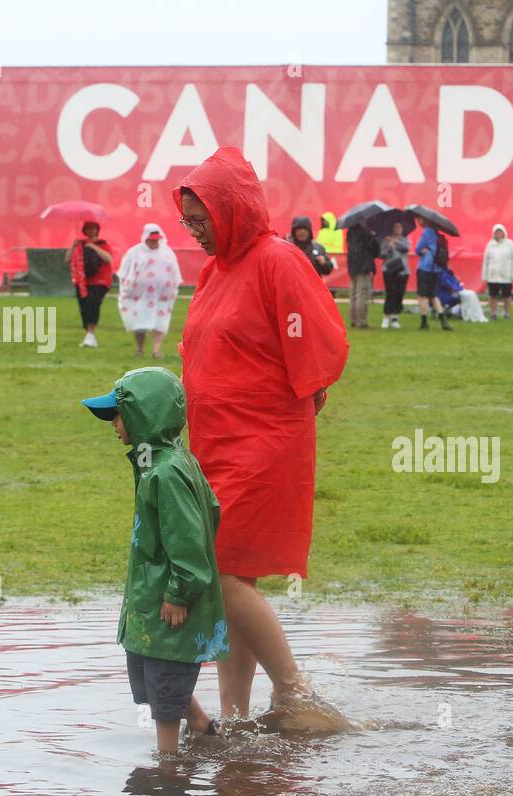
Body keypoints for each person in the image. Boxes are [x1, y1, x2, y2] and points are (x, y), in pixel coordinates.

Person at [174, 147, 350, 717]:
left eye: (202, 220)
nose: (196, 232)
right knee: (235, 576)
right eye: (189, 222)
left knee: (221, 570)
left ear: (231, 209)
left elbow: (320, 337)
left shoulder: (278, 259)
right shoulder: (212, 271)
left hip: (264, 443)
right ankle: (235, 714)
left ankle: (294, 691)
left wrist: (307, 391)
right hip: (216, 443)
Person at [79, 367, 227, 753]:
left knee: (164, 684)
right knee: (153, 670)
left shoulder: (166, 472)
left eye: (117, 414)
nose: (113, 424)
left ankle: (168, 769)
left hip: (168, 604)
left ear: (144, 416)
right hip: (152, 597)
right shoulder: (165, 462)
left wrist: (179, 592)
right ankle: (203, 728)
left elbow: (189, 539)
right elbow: (211, 509)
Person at [117, 224, 181, 359]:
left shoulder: (167, 253)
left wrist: (173, 288)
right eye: (151, 239)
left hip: (162, 298)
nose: (154, 242)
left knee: (160, 322)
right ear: (145, 238)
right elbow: (124, 271)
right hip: (139, 297)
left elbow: (175, 272)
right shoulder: (135, 252)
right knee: (139, 323)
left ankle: (156, 351)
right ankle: (139, 349)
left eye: (156, 239)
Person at [66, 221, 114, 348]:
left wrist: (93, 247)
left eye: (93, 228)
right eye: (88, 228)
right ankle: (89, 335)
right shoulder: (80, 245)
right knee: (84, 307)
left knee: (93, 304)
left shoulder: (102, 244)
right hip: (83, 281)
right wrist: (73, 246)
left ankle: (91, 334)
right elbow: (67, 260)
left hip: (99, 281)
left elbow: (108, 259)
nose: (91, 231)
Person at [414, 217, 452, 330]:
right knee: (434, 296)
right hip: (436, 268)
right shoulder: (437, 233)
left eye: (420, 219)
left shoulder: (427, 232)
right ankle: (443, 320)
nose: (418, 221)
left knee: (422, 296)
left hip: (425, 268)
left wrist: (422, 250)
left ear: (425, 221)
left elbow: (417, 249)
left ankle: (424, 323)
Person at [481, 223, 513, 319]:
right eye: (496, 232)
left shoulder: (510, 244)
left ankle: (507, 313)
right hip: (493, 276)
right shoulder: (490, 245)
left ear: (503, 233)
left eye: (499, 232)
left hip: (506, 276)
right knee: (493, 296)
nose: (498, 234)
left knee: (507, 296)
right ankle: (493, 313)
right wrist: (485, 276)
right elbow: (486, 261)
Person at [345, 222, 379, 329]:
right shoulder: (367, 233)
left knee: (353, 294)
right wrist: (374, 236)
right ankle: (361, 321)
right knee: (362, 294)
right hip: (364, 267)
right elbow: (376, 250)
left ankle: (353, 319)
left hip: (352, 266)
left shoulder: (350, 231)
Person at [379, 221, 411, 329]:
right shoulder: (386, 239)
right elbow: (381, 254)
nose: (398, 229)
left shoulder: (405, 239)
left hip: (403, 270)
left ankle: (395, 317)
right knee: (390, 293)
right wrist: (389, 248)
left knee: (399, 293)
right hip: (389, 269)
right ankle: (386, 317)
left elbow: (406, 248)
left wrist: (395, 242)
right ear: (392, 228)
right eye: (396, 227)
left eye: (400, 227)